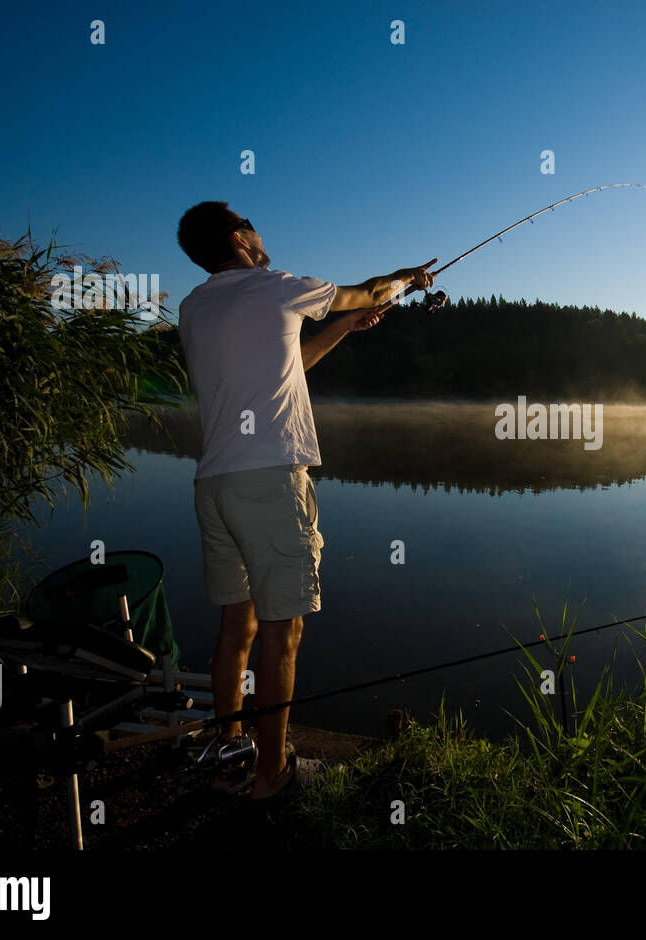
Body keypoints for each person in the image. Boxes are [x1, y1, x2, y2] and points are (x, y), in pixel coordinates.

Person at [175, 200, 434, 801]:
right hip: (269, 482)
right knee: (281, 633)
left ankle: (231, 753)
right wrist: (406, 278)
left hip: (214, 484)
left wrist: (340, 328)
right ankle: (272, 776)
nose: (261, 232)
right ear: (240, 238)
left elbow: (288, 369)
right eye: (252, 223)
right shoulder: (280, 287)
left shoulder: (195, 306)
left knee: (235, 627)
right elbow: (368, 291)